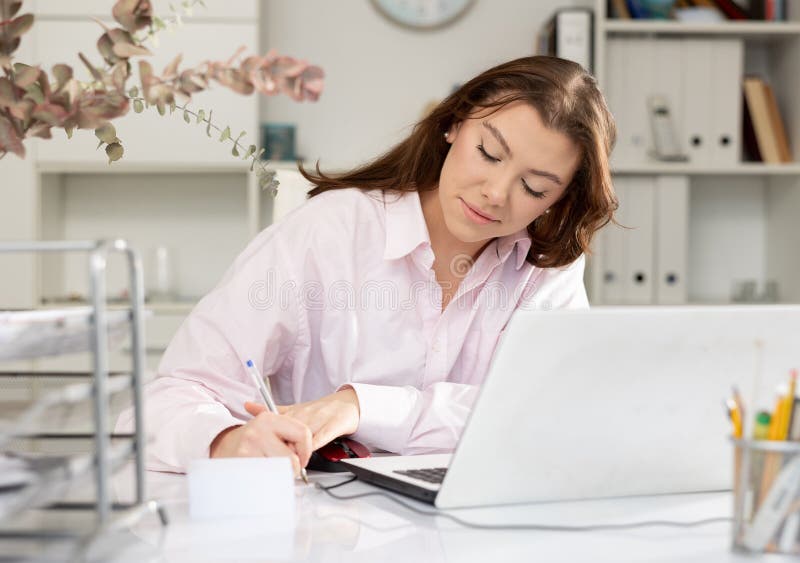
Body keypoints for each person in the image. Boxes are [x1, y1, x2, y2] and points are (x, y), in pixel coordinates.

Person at [116, 56, 617, 476]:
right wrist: (227, 441)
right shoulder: (332, 231)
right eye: (488, 153)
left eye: (535, 187)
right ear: (453, 123)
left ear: (561, 198)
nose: (496, 193)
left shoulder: (546, 266)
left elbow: (551, 413)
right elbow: (166, 400)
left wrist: (360, 407)